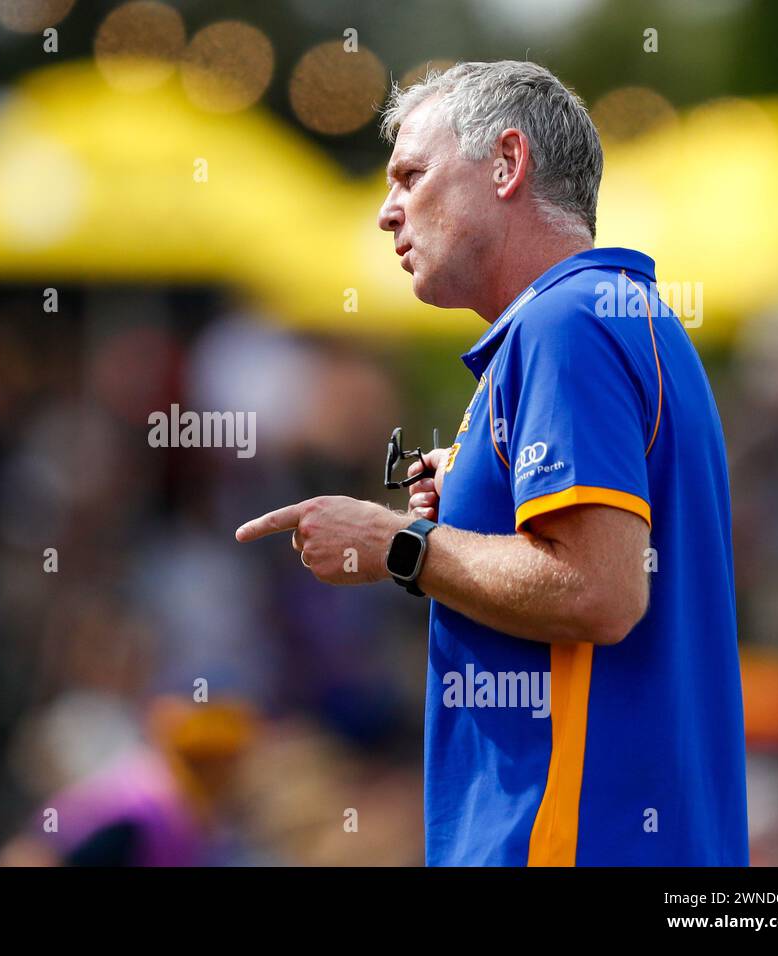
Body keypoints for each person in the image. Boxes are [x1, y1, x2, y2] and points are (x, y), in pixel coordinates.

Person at [236, 61, 748, 866]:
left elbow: (599, 590)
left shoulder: (563, 325)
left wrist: (398, 546)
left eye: (411, 174)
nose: (386, 212)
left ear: (507, 164)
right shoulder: (624, 313)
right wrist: (478, 492)